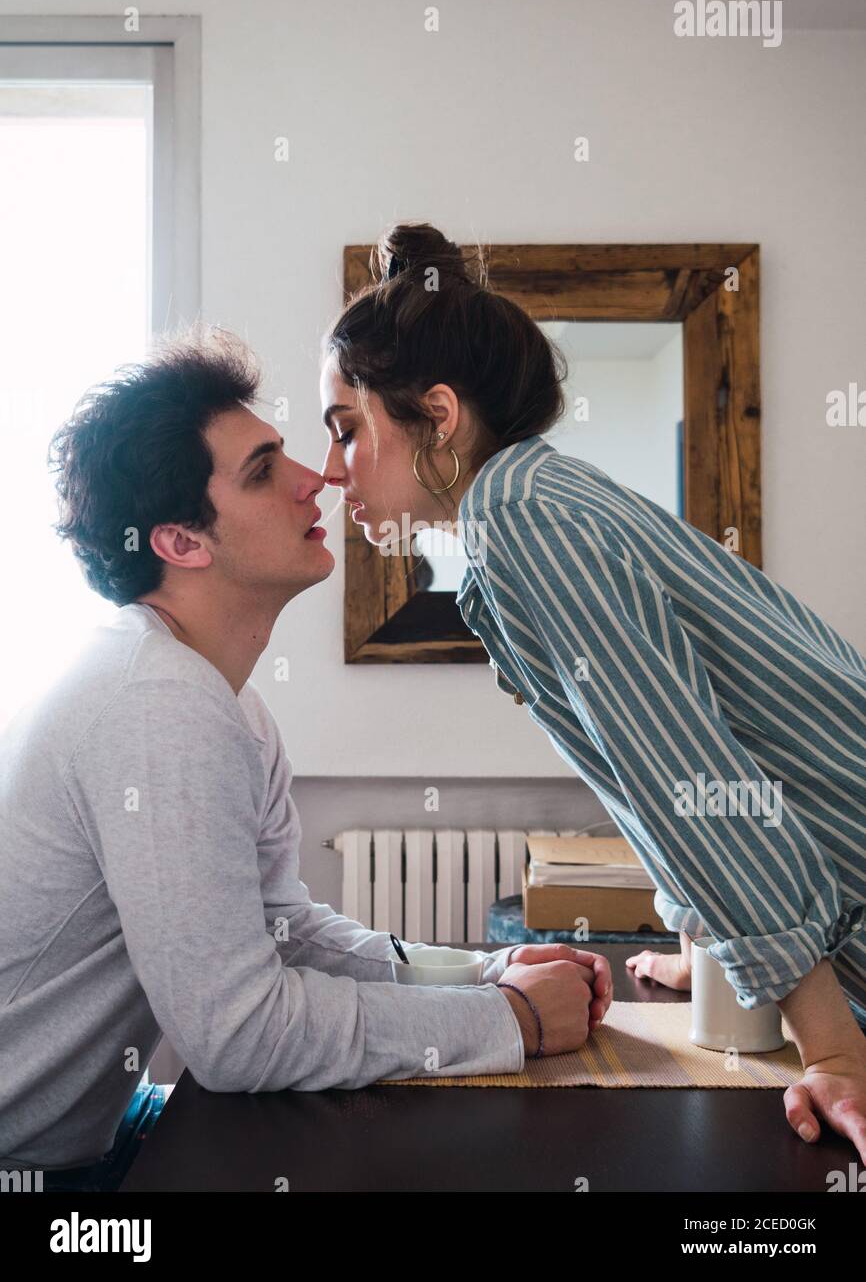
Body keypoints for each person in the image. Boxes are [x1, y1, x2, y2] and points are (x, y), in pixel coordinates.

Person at [0, 324, 610, 1190]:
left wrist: (482, 970)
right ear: (180, 541)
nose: (315, 476)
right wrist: (509, 1021)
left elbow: (284, 935)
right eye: (262, 470)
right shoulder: (155, 704)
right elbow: (240, 1034)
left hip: (88, 1138)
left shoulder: (219, 700)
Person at [319, 222, 866, 1164]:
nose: (333, 472)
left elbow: (689, 774)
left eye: (347, 430)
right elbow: (667, 739)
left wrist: (837, 1053)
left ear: (438, 416)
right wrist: (698, 945)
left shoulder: (524, 521)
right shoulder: (542, 496)